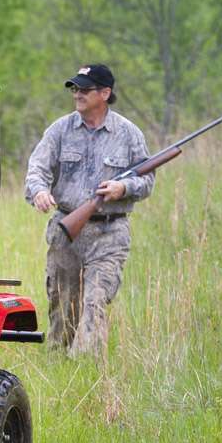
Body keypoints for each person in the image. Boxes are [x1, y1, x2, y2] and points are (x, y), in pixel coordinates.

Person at [24, 64, 154, 358]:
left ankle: (88, 370)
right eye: (75, 89)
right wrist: (40, 191)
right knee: (63, 308)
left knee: (95, 303)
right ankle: (59, 369)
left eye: (85, 89)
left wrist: (123, 189)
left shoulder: (128, 133)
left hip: (110, 233)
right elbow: (37, 170)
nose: (77, 94)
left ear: (105, 93)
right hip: (66, 233)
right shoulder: (59, 130)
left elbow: (147, 180)